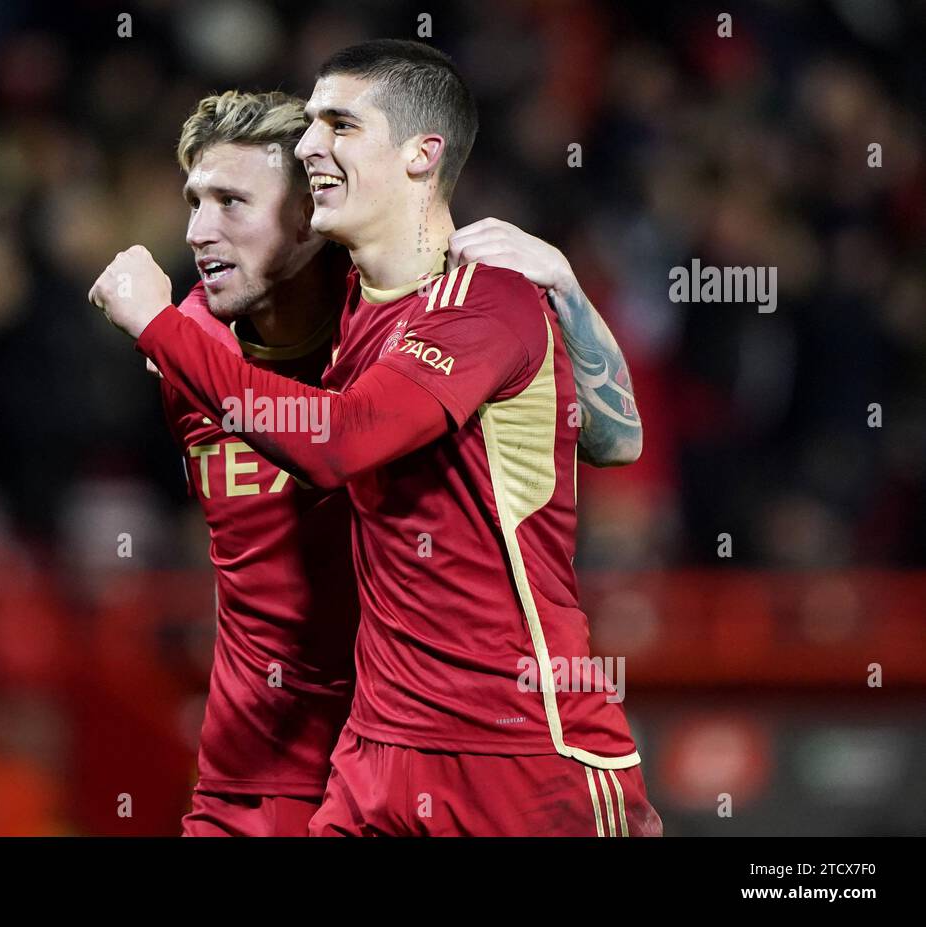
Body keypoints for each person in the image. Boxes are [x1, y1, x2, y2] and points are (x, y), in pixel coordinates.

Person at [106, 42, 657, 836]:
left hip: (518, 754)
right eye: (194, 201)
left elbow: (614, 439)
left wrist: (567, 292)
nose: (199, 231)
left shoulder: (476, 301)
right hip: (350, 763)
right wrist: (175, 331)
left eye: (340, 125)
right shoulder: (271, 329)